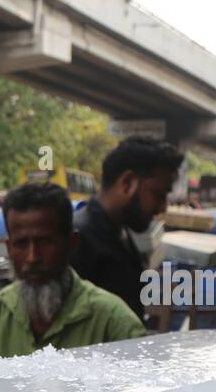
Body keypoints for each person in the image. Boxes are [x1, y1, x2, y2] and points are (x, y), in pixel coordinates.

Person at [0, 182, 144, 368]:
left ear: (71, 244)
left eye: (45, 242)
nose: (32, 257)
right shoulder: (0, 312)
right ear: (9, 248)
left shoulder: (112, 320)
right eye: (21, 244)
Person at [70, 136, 184, 322]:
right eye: (158, 194)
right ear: (128, 183)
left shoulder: (120, 233)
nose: (163, 208)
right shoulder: (77, 240)